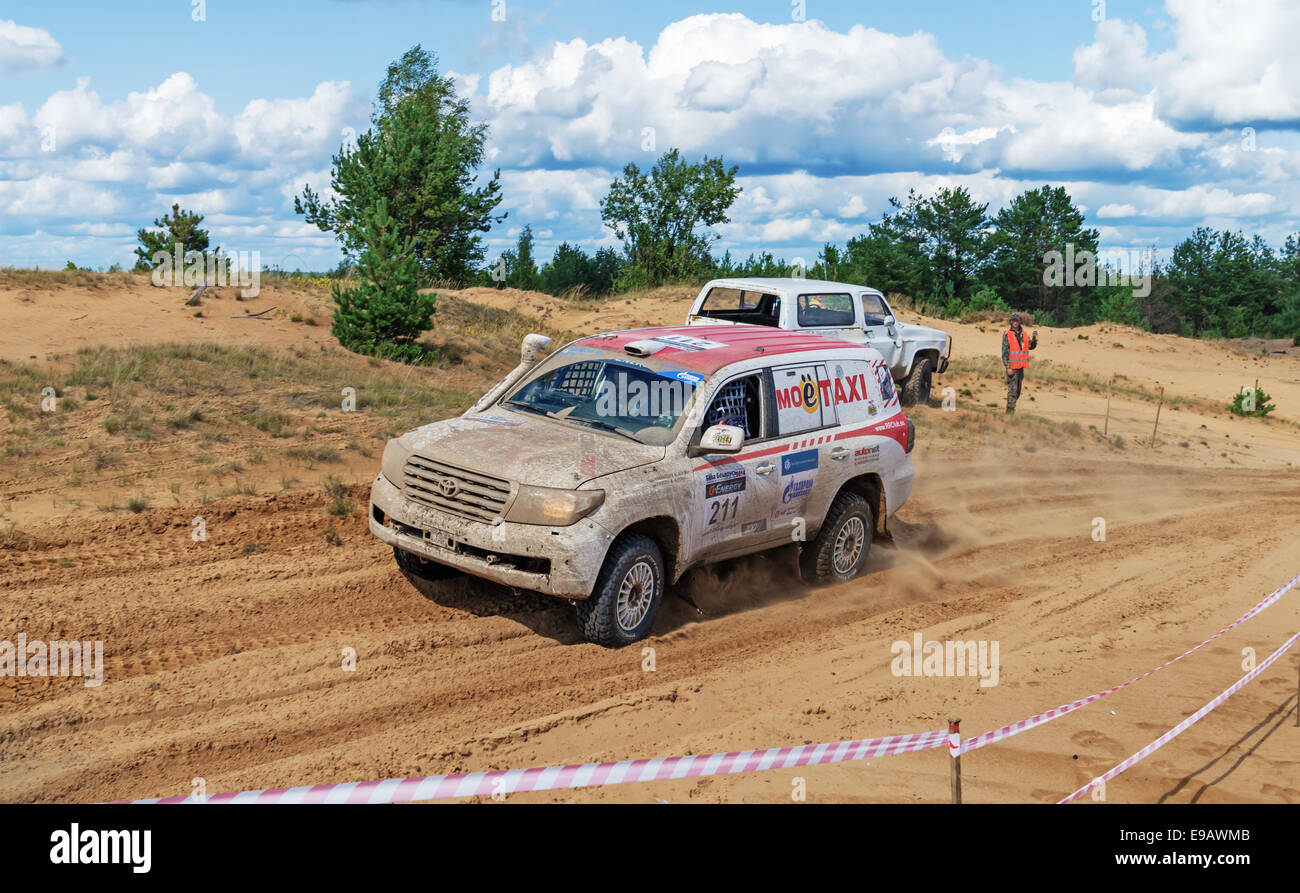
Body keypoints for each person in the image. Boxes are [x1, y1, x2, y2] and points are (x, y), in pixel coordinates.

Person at [1002, 312, 1038, 414]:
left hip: (1020, 368)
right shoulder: (1007, 335)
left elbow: (1031, 347)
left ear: (1020, 321)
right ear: (1010, 322)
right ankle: (1009, 413)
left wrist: (1034, 338)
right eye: (1013, 320)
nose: (1015, 322)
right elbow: (1004, 353)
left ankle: (1010, 410)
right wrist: (1008, 367)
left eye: (1016, 320)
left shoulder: (1024, 334)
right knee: (1012, 391)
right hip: (1012, 368)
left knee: (1017, 391)